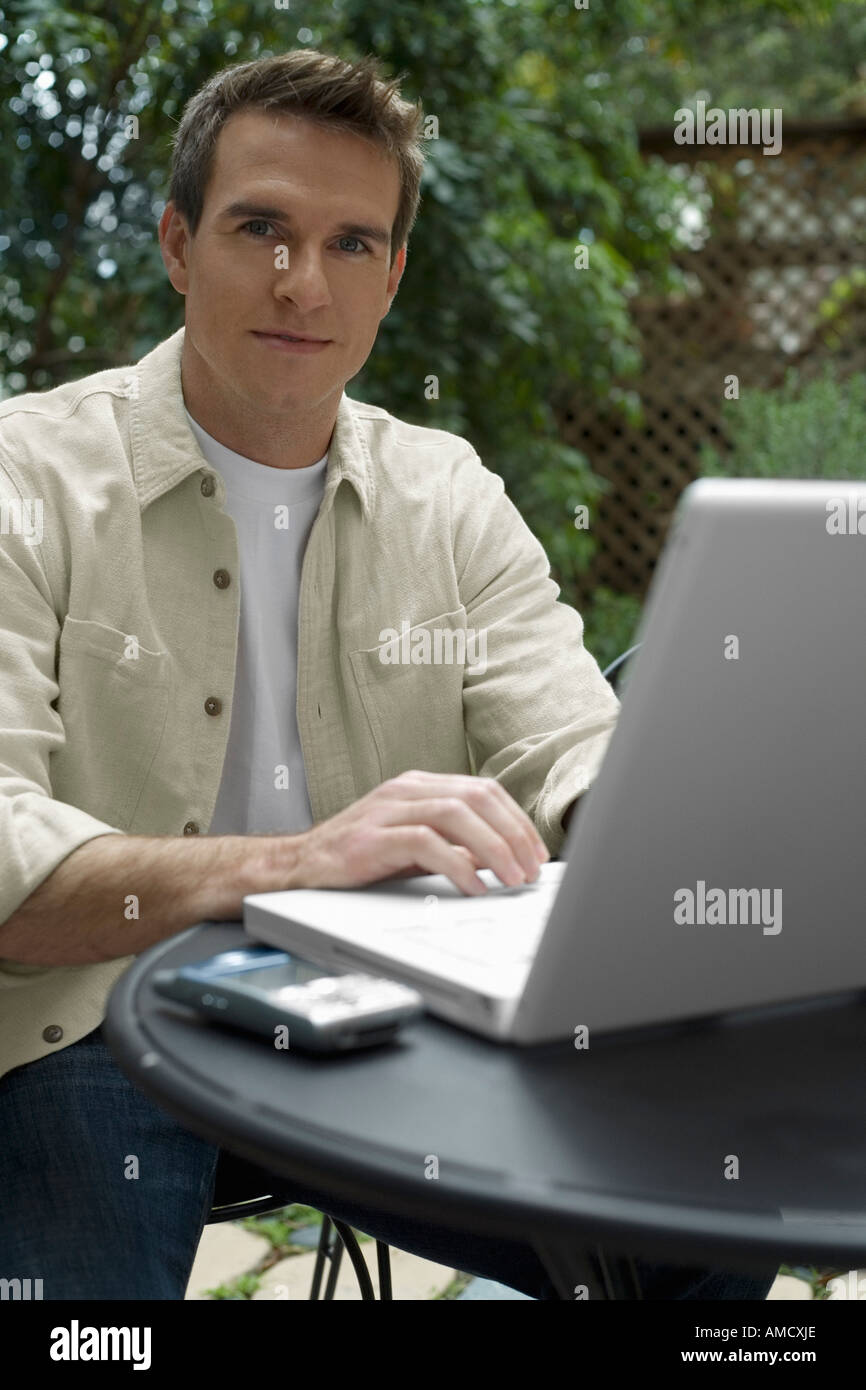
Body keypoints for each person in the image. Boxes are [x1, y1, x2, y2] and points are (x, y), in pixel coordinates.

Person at [0, 47, 777, 1301]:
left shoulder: (447, 493)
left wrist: (680, 845)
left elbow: (567, 745)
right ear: (176, 243)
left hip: (389, 1005)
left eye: (351, 243)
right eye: (261, 227)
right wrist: (297, 860)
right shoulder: (24, 478)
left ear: (393, 275)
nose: (303, 281)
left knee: (707, 1213)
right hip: (87, 1016)